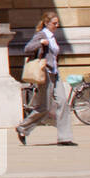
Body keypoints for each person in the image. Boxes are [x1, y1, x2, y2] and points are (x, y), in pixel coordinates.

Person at [16, 11, 77, 147]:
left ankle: (64, 138)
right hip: (46, 74)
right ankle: (23, 128)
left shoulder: (52, 37)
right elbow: (27, 49)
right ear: (46, 23)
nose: (57, 25)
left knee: (63, 102)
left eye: (57, 23)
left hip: (55, 74)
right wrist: (40, 43)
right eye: (54, 23)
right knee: (44, 107)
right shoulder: (42, 35)